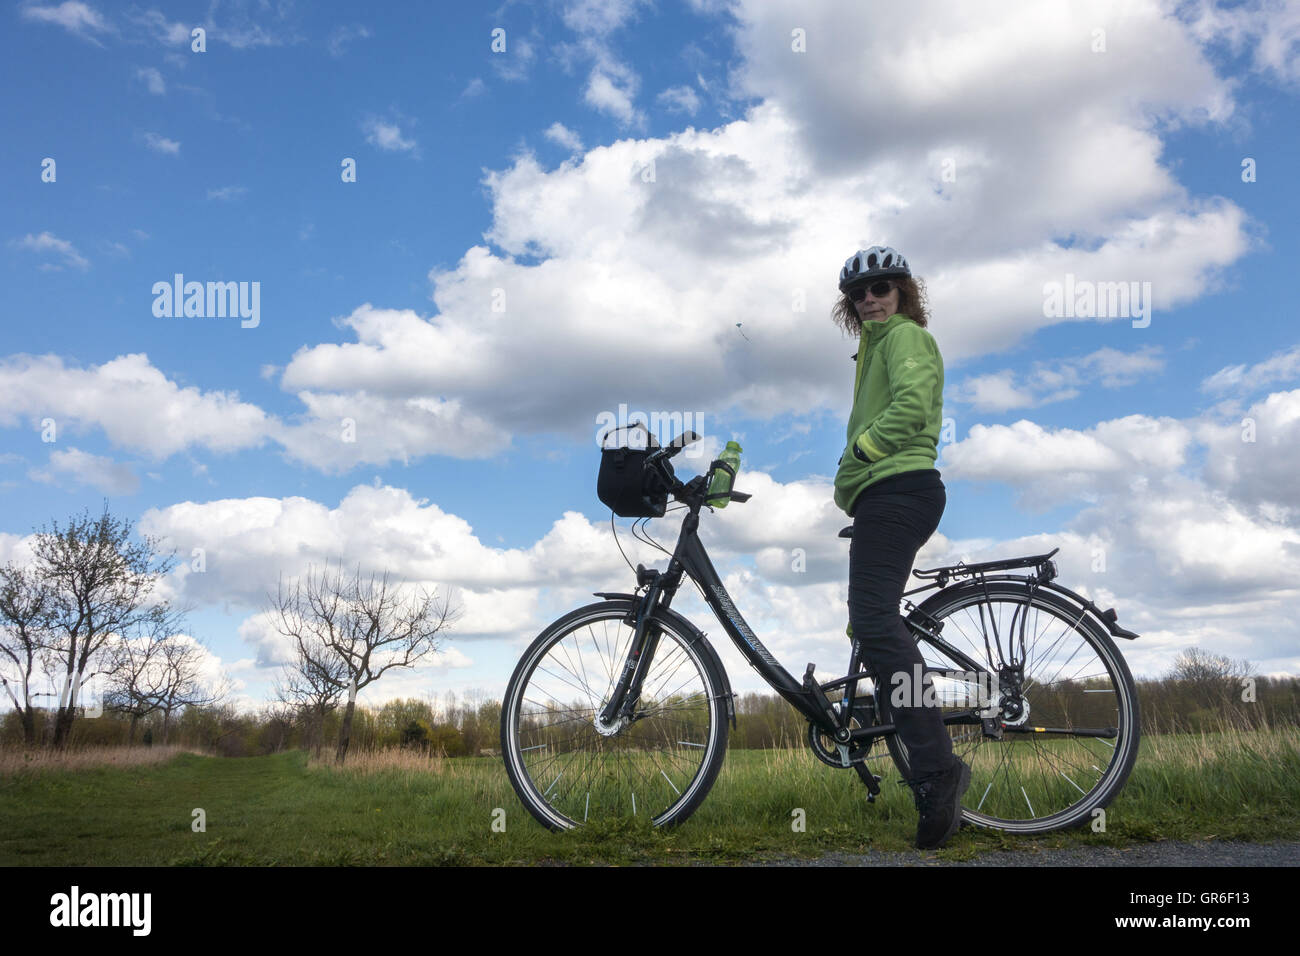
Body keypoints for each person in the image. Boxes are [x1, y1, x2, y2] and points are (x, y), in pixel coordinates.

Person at [831, 245, 971, 849]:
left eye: (882, 286)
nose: (870, 298)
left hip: (898, 489)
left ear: (904, 292)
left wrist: (860, 453)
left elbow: (912, 409)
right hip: (879, 496)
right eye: (859, 293)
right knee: (870, 623)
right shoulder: (871, 352)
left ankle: (937, 771)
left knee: (874, 620)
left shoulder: (905, 339)